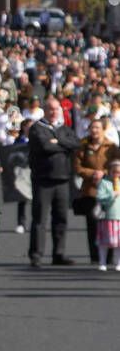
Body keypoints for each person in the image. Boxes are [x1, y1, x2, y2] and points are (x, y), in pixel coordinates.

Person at [27, 95, 79, 267]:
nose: (53, 112)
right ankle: (36, 255)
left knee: (61, 218)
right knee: (40, 219)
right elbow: (45, 146)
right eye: (50, 109)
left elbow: (74, 143)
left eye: (56, 109)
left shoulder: (63, 128)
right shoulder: (37, 128)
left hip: (63, 179)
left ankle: (59, 253)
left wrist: (58, 141)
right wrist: (61, 145)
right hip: (43, 180)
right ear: (45, 110)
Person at [73, 117, 120, 265]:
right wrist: (93, 174)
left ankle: (110, 257)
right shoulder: (84, 146)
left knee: (111, 223)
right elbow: (77, 167)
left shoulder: (111, 146)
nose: (94, 131)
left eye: (97, 128)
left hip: (109, 190)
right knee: (92, 223)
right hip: (90, 189)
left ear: (103, 130)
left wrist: (104, 173)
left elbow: (117, 166)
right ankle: (95, 257)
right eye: (92, 128)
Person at [94, 161, 120, 271]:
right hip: (107, 217)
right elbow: (99, 197)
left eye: (119, 172)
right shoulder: (104, 182)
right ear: (109, 171)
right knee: (104, 242)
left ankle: (118, 263)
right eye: (114, 172)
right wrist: (112, 195)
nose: (116, 174)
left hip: (119, 217)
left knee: (119, 243)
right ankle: (102, 262)